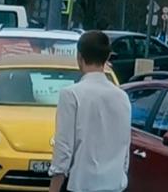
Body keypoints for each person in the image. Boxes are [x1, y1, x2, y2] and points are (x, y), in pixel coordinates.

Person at [49, 29, 131, 192]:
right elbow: (125, 148)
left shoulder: (71, 94)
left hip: (82, 185)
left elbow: (63, 150)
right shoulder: (122, 97)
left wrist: (54, 187)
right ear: (107, 58)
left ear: (79, 57)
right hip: (115, 185)